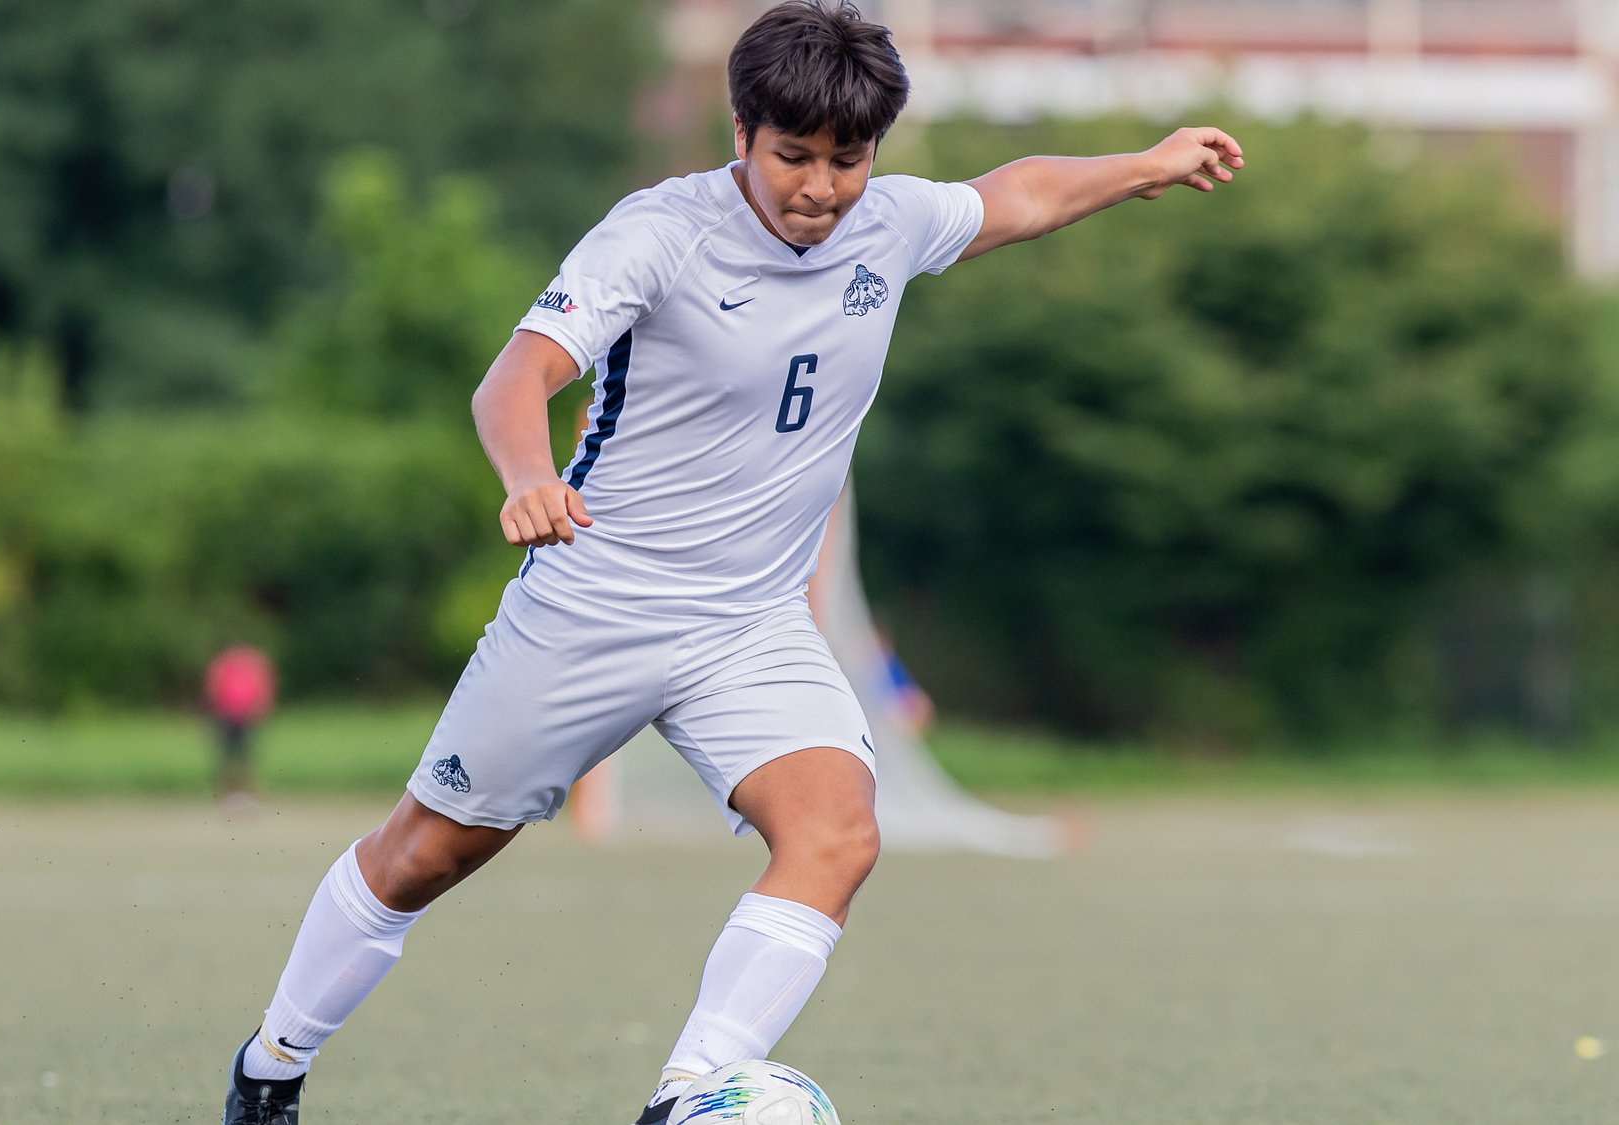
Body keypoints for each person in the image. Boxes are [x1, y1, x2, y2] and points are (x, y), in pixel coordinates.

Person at [220, 4, 1244, 1121]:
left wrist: (1143, 165)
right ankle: (272, 1064)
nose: (818, 187)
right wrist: (526, 476)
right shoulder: (656, 235)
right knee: (424, 856)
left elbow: (1020, 192)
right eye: (791, 156)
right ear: (741, 131)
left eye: (844, 161)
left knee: (839, 833)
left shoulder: (887, 225)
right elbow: (512, 381)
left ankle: (691, 1094)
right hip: (594, 603)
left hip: (748, 625)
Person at [205, 644, 275, 801]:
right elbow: (213, 688)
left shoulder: (231, 665)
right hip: (228, 714)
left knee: (245, 756)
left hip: (245, 715)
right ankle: (228, 790)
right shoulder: (228, 665)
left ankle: (246, 790)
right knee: (230, 756)